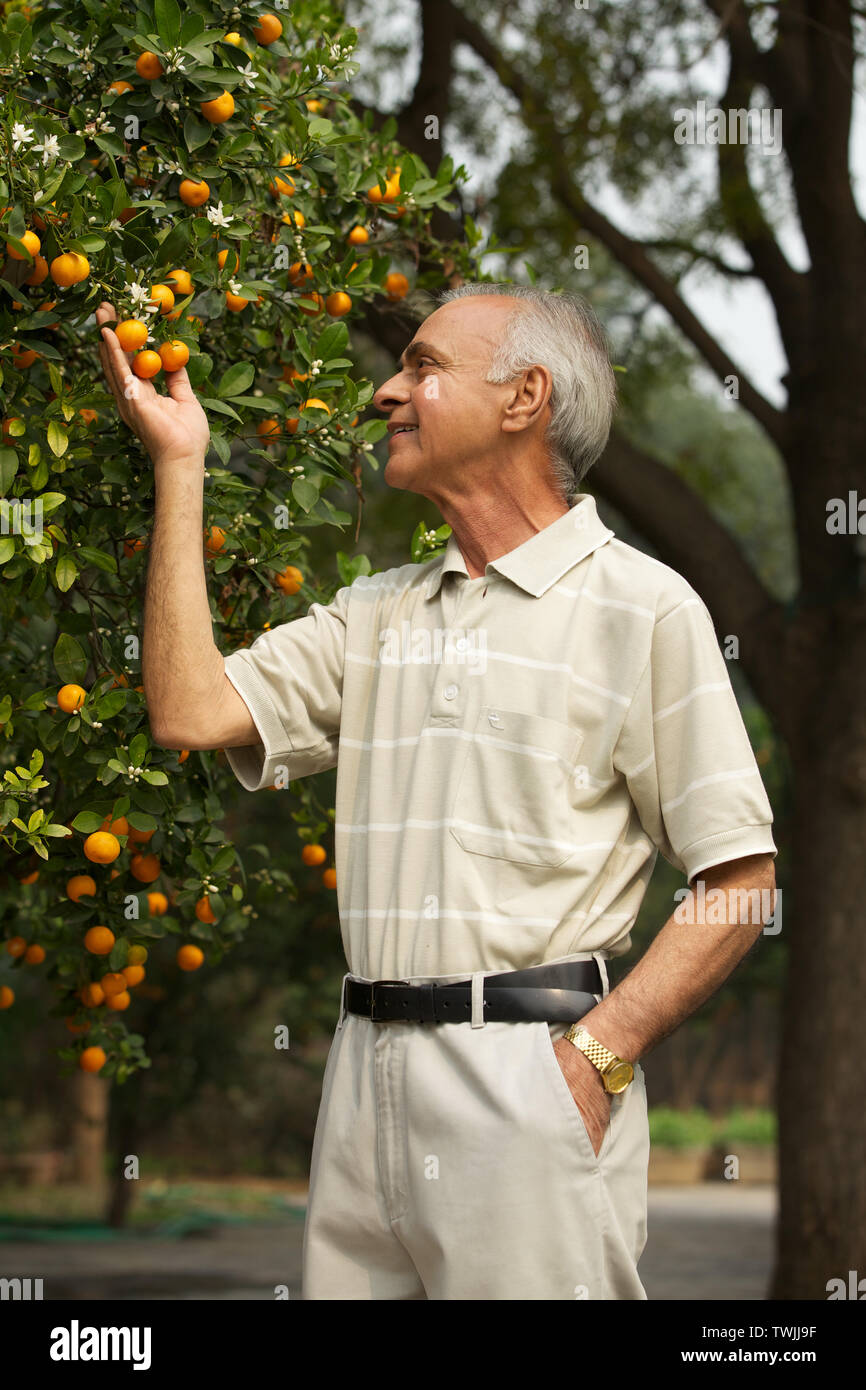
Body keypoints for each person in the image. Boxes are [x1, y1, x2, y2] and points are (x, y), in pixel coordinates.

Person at [95, 283, 777, 1300]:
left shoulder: (642, 608)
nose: (385, 392)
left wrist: (596, 1056)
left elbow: (739, 878)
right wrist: (180, 462)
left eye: (422, 367)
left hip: (528, 1075)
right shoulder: (374, 613)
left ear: (523, 398)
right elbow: (189, 711)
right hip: (362, 1075)